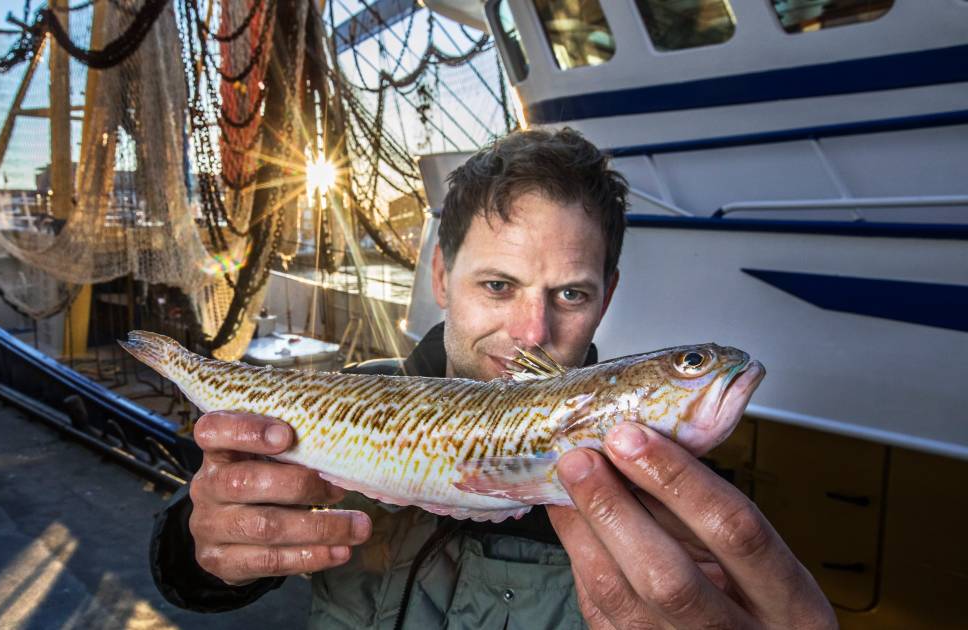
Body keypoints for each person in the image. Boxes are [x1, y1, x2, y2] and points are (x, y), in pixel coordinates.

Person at [148, 128, 837, 628]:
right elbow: (188, 585)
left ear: (609, 294)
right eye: (499, 284)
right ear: (441, 278)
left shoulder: (688, 514)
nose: (531, 332)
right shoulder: (339, 400)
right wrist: (200, 542)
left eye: (571, 294)